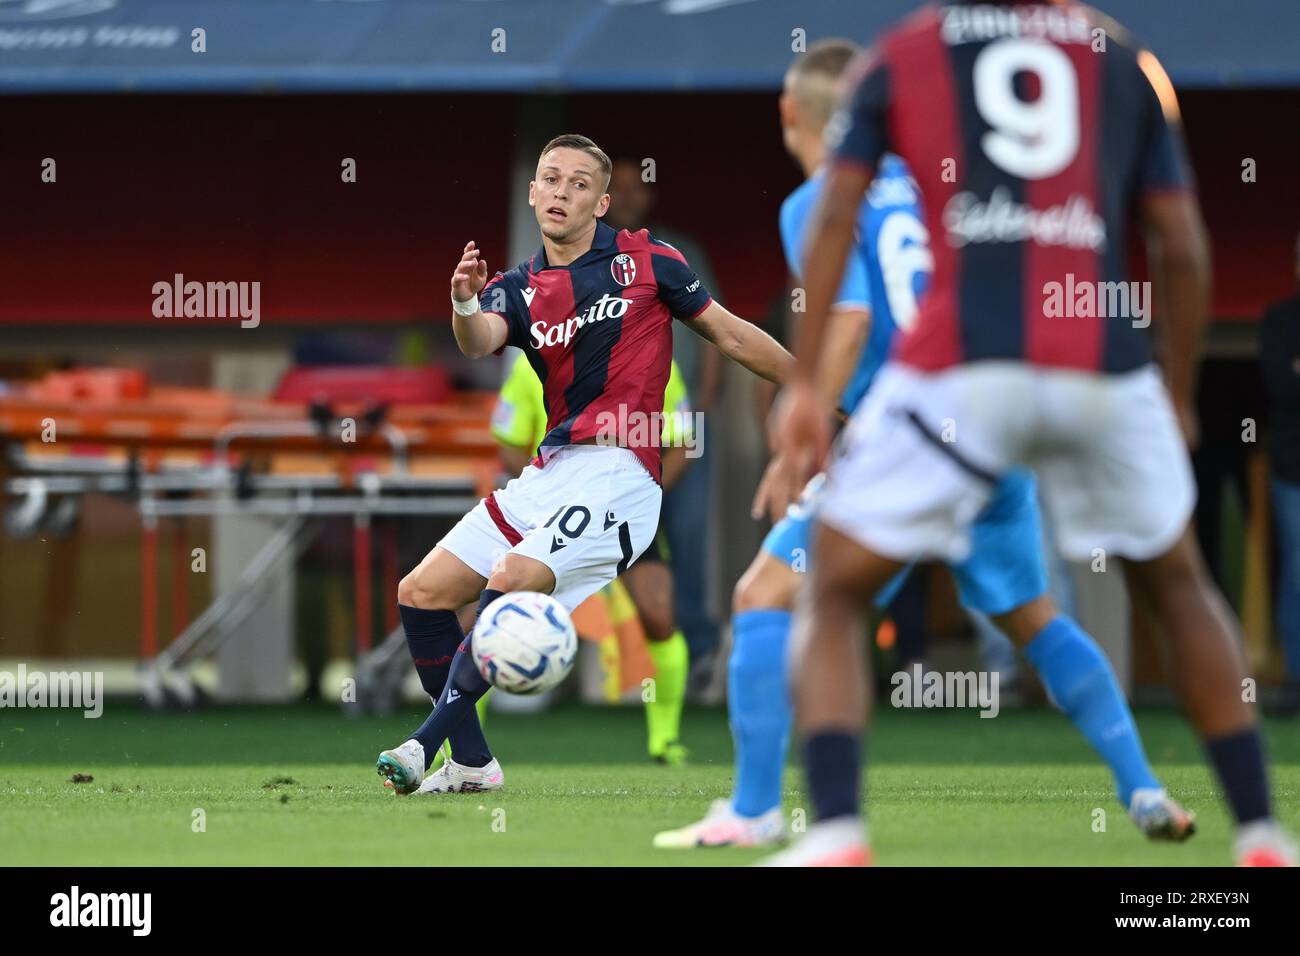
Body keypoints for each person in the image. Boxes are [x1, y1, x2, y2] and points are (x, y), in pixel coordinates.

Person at [766, 1, 1294, 867]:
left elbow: (832, 219)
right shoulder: (1122, 58)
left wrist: (798, 391)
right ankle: (1262, 833)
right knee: (1178, 584)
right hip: (1101, 364)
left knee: (833, 587)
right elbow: (1182, 243)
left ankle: (835, 831)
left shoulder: (905, 52)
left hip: (956, 374)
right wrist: (1179, 384)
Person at [654, 38, 1190, 851]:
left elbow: (856, 315)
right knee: (1034, 621)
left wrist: (801, 414)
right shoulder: (935, 190)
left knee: (761, 598)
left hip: (900, 444)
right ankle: (1145, 788)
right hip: (992, 428)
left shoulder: (820, 200)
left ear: (789, 113)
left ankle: (756, 809)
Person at [376, 133, 792, 795]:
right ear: (534, 192)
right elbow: (480, 338)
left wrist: (812, 387)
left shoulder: (651, 262)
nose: (562, 192)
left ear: (601, 203)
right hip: (551, 471)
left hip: (622, 473)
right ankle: (475, 764)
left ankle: (424, 743)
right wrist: (461, 302)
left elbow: (732, 333)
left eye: (578, 183)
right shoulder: (518, 286)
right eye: (551, 179)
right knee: (420, 594)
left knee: (523, 578)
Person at [493, 350, 697, 761]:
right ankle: (458, 743)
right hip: (549, 514)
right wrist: (546, 488)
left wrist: (646, 495)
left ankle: (665, 741)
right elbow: (510, 441)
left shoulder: (656, 360)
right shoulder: (531, 361)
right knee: (482, 611)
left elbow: (684, 444)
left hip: (623, 512)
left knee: (659, 614)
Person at [605, 157, 725, 684]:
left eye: (638, 185)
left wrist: (703, 405)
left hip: (682, 426)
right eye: (619, 187)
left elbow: (720, 332)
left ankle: (696, 654)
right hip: (613, 431)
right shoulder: (590, 252)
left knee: (688, 534)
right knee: (616, 540)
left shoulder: (679, 251)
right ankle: (627, 665)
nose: (630, 196)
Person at [1260, 233, 1300, 716]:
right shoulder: (1279, 319)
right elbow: (1281, 384)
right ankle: (1295, 682)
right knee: (1297, 575)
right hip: (1293, 469)